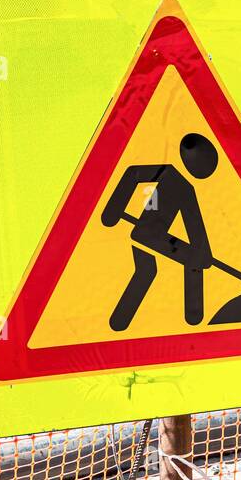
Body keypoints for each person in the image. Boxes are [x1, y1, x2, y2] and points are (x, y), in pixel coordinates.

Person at [100, 133, 218, 331]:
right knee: (148, 271)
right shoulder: (172, 175)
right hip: (148, 232)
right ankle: (119, 324)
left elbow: (194, 224)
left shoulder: (185, 188)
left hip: (153, 235)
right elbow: (134, 174)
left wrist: (202, 254)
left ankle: (193, 313)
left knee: (155, 270)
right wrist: (114, 208)